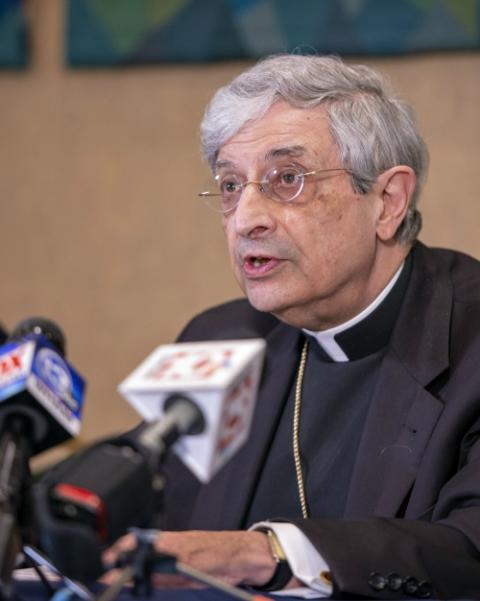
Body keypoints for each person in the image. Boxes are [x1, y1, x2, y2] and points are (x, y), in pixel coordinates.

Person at [107, 55, 480, 598]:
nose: (245, 218)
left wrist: (268, 554)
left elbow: (469, 548)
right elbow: (150, 514)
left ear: (387, 201)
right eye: (231, 185)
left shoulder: (470, 336)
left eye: (287, 179)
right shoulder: (221, 339)